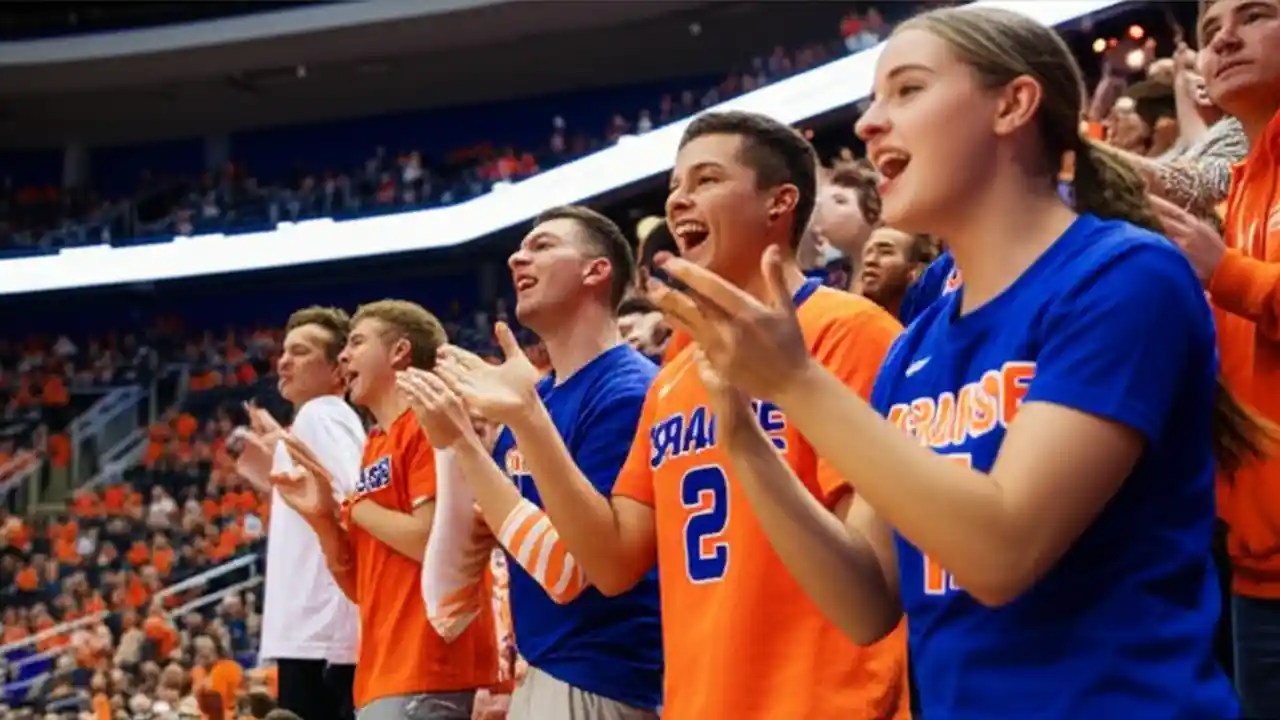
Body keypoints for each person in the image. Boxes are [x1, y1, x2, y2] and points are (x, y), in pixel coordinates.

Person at [644, 6, 1260, 717]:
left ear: (1013, 104)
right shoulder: (917, 343)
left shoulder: (1123, 277)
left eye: (906, 90)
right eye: (873, 101)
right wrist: (744, 439)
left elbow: (1003, 554)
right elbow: (867, 602)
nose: (871, 123)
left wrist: (796, 382)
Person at [435, 111, 909, 720]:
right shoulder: (679, 366)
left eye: (706, 179)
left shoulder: (851, 331)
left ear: (780, 202)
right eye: (675, 187)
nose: (681, 199)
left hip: (823, 702)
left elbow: (870, 595)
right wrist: (529, 417)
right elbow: (609, 563)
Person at [400, 205, 663, 720]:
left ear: (596, 270)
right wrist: (453, 446)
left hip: (598, 676)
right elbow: (450, 595)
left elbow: (568, 574)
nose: (518, 255)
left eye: (542, 245)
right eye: (521, 247)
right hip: (541, 669)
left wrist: (468, 444)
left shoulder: (628, 393)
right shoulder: (536, 401)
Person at [273, 300, 498, 720]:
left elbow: (431, 543)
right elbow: (363, 584)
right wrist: (323, 520)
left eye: (357, 342)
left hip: (430, 668)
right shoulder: (376, 444)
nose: (343, 355)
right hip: (383, 671)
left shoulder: (431, 422)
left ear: (399, 352)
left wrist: (348, 504)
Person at [1151, 0, 1280, 714]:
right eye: (1208, 32)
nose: (1224, 38)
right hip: (1255, 570)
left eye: (1253, 15)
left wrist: (1223, 271)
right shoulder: (1242, 182)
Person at [233, 306, 363, 720]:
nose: (283, 361)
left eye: (301, 352)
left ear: (338, 371)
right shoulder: (316, 421)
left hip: (321, 631)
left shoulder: (320, 415)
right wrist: (277, 451)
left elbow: (352, 499)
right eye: (284, 351)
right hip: (321, 631)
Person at [858, 228, 937, 318]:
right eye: (868, 251)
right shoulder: (844, 315)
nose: (870, 260)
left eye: (886, 252)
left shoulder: (924, 326)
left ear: (913, 269)